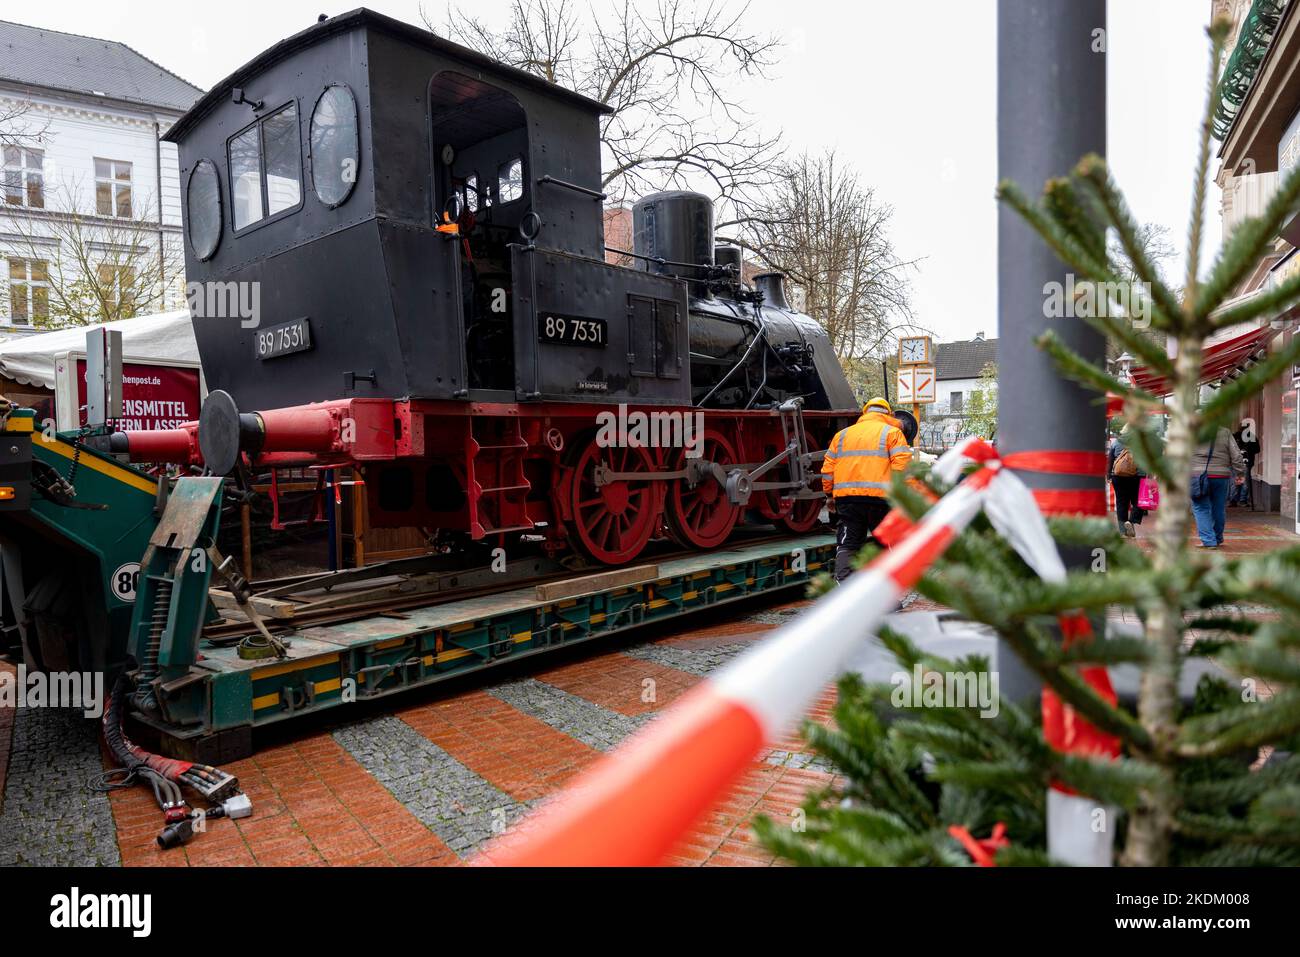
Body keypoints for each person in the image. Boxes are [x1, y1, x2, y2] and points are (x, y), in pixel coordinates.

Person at [822, 397, 912, 582]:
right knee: (885, 544)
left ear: (865, 413)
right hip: (881, 501)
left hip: (847, 501)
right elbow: (902, 468)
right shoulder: (893, 433)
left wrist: (829, 495)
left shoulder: (842, 435)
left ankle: (844, 584)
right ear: (888, 413)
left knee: (848, 543)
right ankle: (884, 594)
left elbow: (828, 469)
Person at [1189, 425, 1246, 549]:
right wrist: (1240, 472)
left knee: (1200, 507)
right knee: (1218, 507)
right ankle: (1217, 538)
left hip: (1197, 475)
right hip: (1221, 475)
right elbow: (1236, 454)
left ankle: (1209, 540)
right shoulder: (1225, 432)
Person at [1107, 425, 1145, 538]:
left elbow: (1110, 459)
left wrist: (1109, 475)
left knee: (1121, 503)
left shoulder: (1116, 442)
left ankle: (1123, 532)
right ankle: (1131, 521)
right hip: (1137, 476)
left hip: (1118, 476)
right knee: (1139, 501)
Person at [1228, 422, 1259, 507]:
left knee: (1234, 481)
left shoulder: (1234, 436)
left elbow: (1228, 448)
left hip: (1235, 462)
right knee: (1244, 482)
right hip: (1246, 462)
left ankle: (1234, 500)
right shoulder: (1251, 437)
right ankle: (1242, 500)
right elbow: (1257, 449)